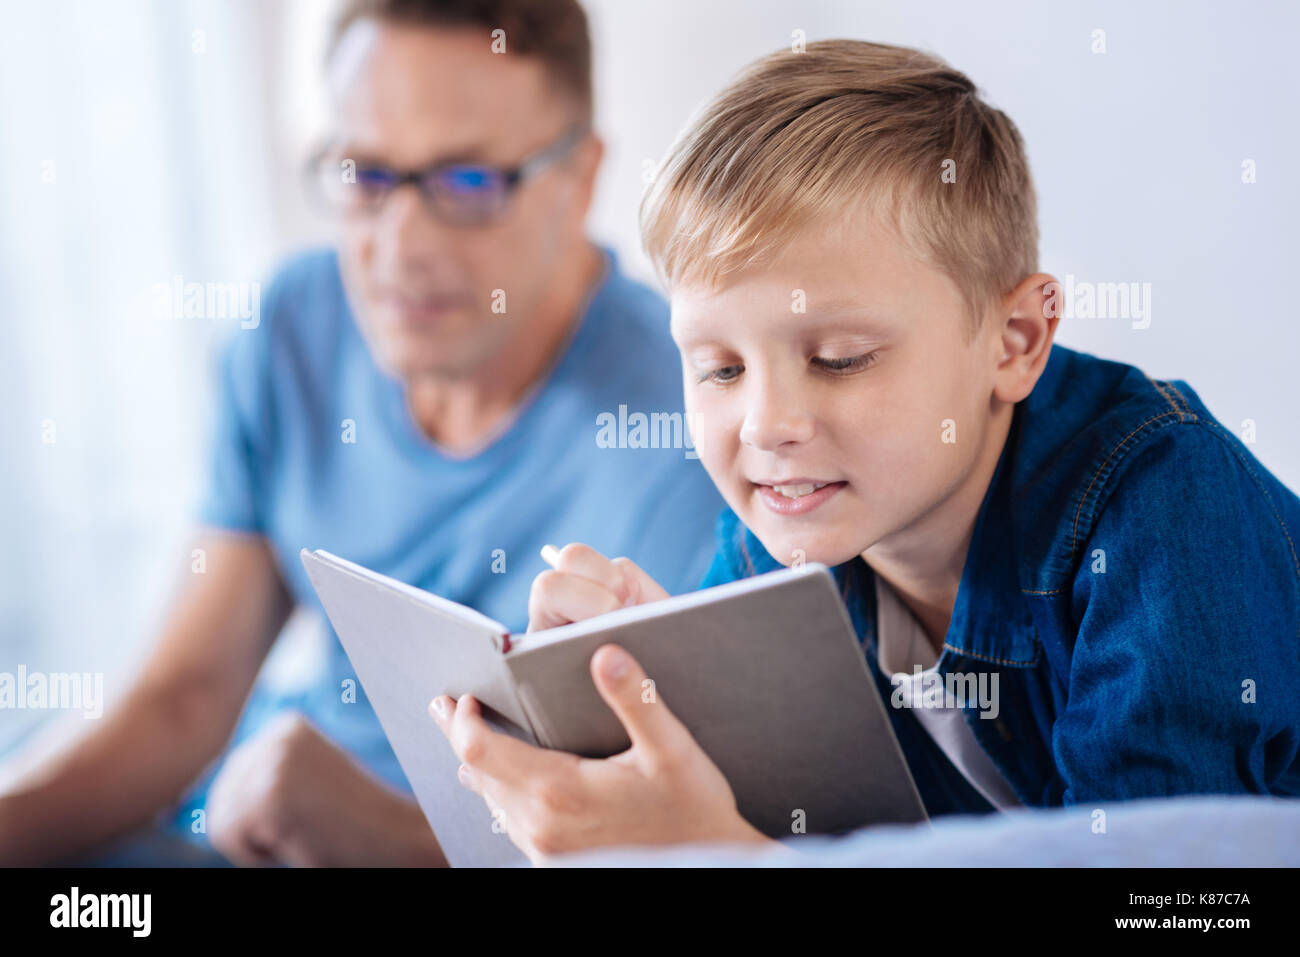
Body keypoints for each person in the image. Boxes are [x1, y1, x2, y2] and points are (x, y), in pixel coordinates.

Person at [428, 39, 1300, 865]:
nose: (767, 425)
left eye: (838, 358)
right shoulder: (784, 528)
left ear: (1015, 340)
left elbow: (1183, 908)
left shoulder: (1164, 501)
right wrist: (633, 718)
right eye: (720, 367)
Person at [0, 0, 723, 867]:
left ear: (581, 180)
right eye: (366, 176)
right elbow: (184, 699)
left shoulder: (687, 430)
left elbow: (652, 839)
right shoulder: (291, 333)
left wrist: (379, 835)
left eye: (466, 184)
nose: (402, 246)